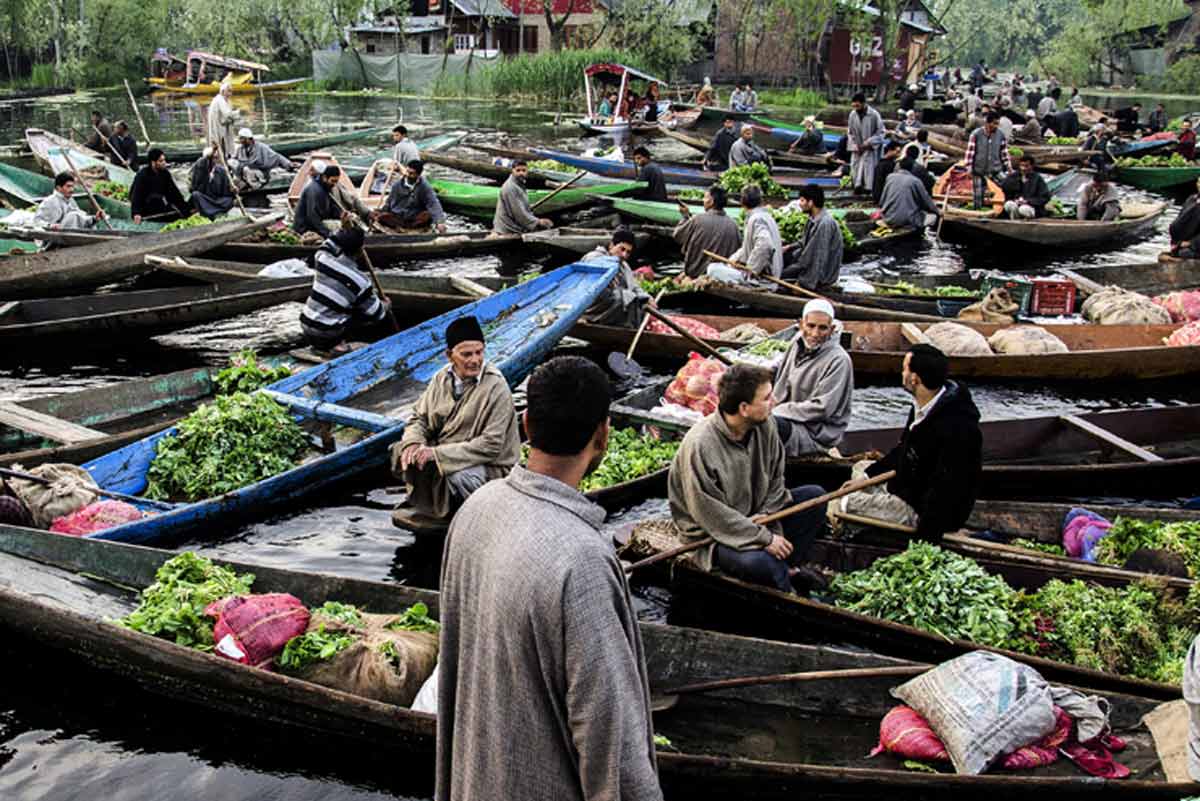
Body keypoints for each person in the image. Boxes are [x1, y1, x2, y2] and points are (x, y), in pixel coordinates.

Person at [435, 355, 662, 801]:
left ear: (525, 425)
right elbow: (610, 739)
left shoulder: (477, 509)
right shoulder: (582, 561)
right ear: (603, 435)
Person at [668, 362, 830, 594]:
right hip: (715, 535)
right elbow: (711, 515)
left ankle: (789, 567)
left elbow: (776, 480)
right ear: (744, 408)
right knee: (763, 565)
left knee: (815, 497)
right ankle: (786, 581)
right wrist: (764, 538)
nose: (773, 403)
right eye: (766, 398)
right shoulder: (700, 445)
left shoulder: (766, 425)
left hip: (759, 517)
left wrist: (765, 515)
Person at [391, 314, 520, 526]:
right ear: (450, 355)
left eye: (479, 352)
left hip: (489, 466)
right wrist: (413, 444)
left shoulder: (496, 386)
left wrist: (436, 454)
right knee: (400, 451)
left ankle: (478, 517)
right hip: (449, 453)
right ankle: (437, 504)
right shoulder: (441, 378)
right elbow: (419, 419)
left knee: (457, 476)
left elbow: (491, 446)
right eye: (466, 354)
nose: (475, 360)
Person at [852, 344, 982, 541]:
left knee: (843, 503)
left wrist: (924, 540)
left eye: (904, 368)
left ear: (915, 378)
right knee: (862, 468)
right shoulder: (922, 406)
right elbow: (904, 449)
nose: (901, 373)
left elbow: (945, 491)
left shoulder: (958, 428)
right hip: (907, 486)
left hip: (921, 510)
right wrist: (868, 477)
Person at [772, 299, 853, 457]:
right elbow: (779, 373)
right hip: (787, 417)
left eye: (823, 328)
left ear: (832, 329)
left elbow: (822, 408)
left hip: (813, 433)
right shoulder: (796, 344)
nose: (815, 334)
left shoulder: (839, 360)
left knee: (765, 425)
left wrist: (776, 410)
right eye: (811, 326)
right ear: (802, 324)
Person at [298, 227, 391, 354]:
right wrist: (386, 305)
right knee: (364, 312)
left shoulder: (322, 258)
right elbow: (377, 314)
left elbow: (329, 243)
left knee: (347, 304)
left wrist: (345, 227)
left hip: (306, 325)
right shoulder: (361, 282)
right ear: (360, 251)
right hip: (328, 334)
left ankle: (322, 344)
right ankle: (337, 345)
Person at [706, 185, 782, 282]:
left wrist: (750, 269)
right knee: (720, 266)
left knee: (712, 269)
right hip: (766, 274)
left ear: (742, 202)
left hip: (763, 280)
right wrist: (732, 261)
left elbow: (765, 245)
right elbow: (746, 248)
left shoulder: (757, 219)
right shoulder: (766, 216)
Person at [580, 229, 649, 327]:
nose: (624, 255)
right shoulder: (594, 257)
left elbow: (635, 287)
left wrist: (648, 298)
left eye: (628, 252)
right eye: (622, 249)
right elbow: (597, 290)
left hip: (611, 308)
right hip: (592, 309)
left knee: (637, 302)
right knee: (623, 298)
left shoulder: (623, 265)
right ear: (611, 245)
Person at [782, 185, 843, 289]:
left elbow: (818, 258)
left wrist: (804, 283)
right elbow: (804, 242)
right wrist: (788, 247)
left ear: (810, 202)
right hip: (811, 265)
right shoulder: (813, 219)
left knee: (781, 276)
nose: (800, 204)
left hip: (822, 276)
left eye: (802, 200)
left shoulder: (825, 223)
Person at [673, 184, 741, 278]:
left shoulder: (698, 219)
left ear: (711, 201)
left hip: (697, 274)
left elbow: (677, 236)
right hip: (721, 277)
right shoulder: (734, 225)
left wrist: (685, 217)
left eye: (705, 198)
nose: (703, 201)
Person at [380, 159, 447, 233]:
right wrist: (383, 212)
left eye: (411, 173)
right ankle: (399, 227)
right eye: (407, 172)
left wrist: (440, 222)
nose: (408, 175)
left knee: (427, 215)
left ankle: (408, 229)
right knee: (380, 216)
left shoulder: (424, 186)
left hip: (414, 218)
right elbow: (389, 202)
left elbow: (433, 204)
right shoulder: (397, 185)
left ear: (418, 175)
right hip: (398, 217)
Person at [964, 112, 1011, 209]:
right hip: (978, 169)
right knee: (978, 193)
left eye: (997, 123)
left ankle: (1003, 208)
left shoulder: (1000, 135)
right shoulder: (976, 134)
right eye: (994, 123)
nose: (996, 126)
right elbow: (970, 152)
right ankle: (978, 210)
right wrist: (968, 167)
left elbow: (1004, 152)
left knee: (1006, 185)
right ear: (987, 123)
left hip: (995, 168)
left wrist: (1008, 166)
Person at [130, 148, 190, 223]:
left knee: (177, 215)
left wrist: (185, 208)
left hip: (160, 204)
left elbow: (174, 193)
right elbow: (136, 195)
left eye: (164, 160)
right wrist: (136, 213)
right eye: (161, 161)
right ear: (153, 163)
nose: (164, 163)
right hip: (146, 206)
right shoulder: (142, 175)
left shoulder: (165, 174)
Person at [879, 158, 939, 231]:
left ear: (899, 166)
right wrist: (938, 211)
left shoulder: (890, 177)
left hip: (888, 217)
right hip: (908, 220)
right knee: (933, 217)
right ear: (912, 168)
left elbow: (882, 200)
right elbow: (927, 200)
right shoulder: (915, 181)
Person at [493, 161, 552, 234]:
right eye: (518, 170)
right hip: (507, 227)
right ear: (512, 171)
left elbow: (520, 206)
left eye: (523, 170)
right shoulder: (510, 187)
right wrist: (538, 222)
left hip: (513, 223)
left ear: (527, 171)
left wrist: (528, 207)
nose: (521, 173)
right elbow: (519, 213)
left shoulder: (519, 184)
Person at [34, 172, 106, 230]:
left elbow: (80, 217)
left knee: (80, 216)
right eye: (68, 186)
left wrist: (95, 218)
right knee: (73, 215)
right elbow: (37, 221)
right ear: (58, 188)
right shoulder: (50, 201)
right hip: (53, 237)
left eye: (72, 186)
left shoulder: (70, 200)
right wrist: (50, 226)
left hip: (69, 234)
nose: (72, 190)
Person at [231, 128, 296, 191]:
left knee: (247, 170)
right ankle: (243, 185)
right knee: (236, 167)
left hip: (261, 172)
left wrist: (289, 164)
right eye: (240, 138)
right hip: (244, 174)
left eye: (242, 138)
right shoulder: (240, 149)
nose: (240, 141)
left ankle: (255, 187)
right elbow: (234, 159)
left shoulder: (262, 147)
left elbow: (277, 157)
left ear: (248, 139)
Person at [847, 92, 885, 195]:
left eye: (858, 105)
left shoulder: (874, 114)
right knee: (855, 168)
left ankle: (868, 189)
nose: (856, 108)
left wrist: (869, 143)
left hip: (870, 148)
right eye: (854, 106)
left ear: (863, 103)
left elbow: (881, 132)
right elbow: (850, 132)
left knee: (868, 170)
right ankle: (856, 186)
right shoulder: (852, 114)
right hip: (857, 148)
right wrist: (855, 146)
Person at [188, 147, 235, 218]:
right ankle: (214, 211)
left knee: (228, 200)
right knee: (196, 195)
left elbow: (226, 191)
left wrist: (232, 191)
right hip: (204, 198)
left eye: (216, 158)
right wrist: (210, 153)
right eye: (212, 158)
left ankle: (213, 210)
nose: (214, 161)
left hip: (216, 200)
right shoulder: (199, 168)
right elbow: (193, 188)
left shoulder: (222, 170)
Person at [1000, 154, 1050, 220]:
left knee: (1023, 209)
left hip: (1031, 207)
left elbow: (1044, 197)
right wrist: (1015, 200)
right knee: (1009, 204)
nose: (1023, 168)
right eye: (1021, 166)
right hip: (1016, 205)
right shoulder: (1013, 176)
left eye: (1026, 166)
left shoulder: (1037, 179)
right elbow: (1004, 190)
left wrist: (1027, 201)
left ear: (1032, 166)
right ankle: (1015, 222)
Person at [1168, 178, 1200, 259]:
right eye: (1199, 182)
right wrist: (1178, 242)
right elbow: (1179, 220)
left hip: (1195, 244)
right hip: (1184, 240)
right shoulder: (1191, 199)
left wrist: (1191, 243)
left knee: (1185, 253)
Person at [206, 81, 240, 157]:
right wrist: (237, 113)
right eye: (229, 91)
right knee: (220, 147)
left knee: (222, 148)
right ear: (223, 91)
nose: (230, 94)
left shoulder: (224, 100)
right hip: (218, 129)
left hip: (221, 128)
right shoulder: (219, 100)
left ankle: (225, 159)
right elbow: (228, 115)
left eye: (231, 92)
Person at [871, 140, 903, 205]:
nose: (899, 155)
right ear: (890, 150)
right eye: (897, 152)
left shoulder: (880, 163)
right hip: (885, 198)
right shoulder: (889, 165)